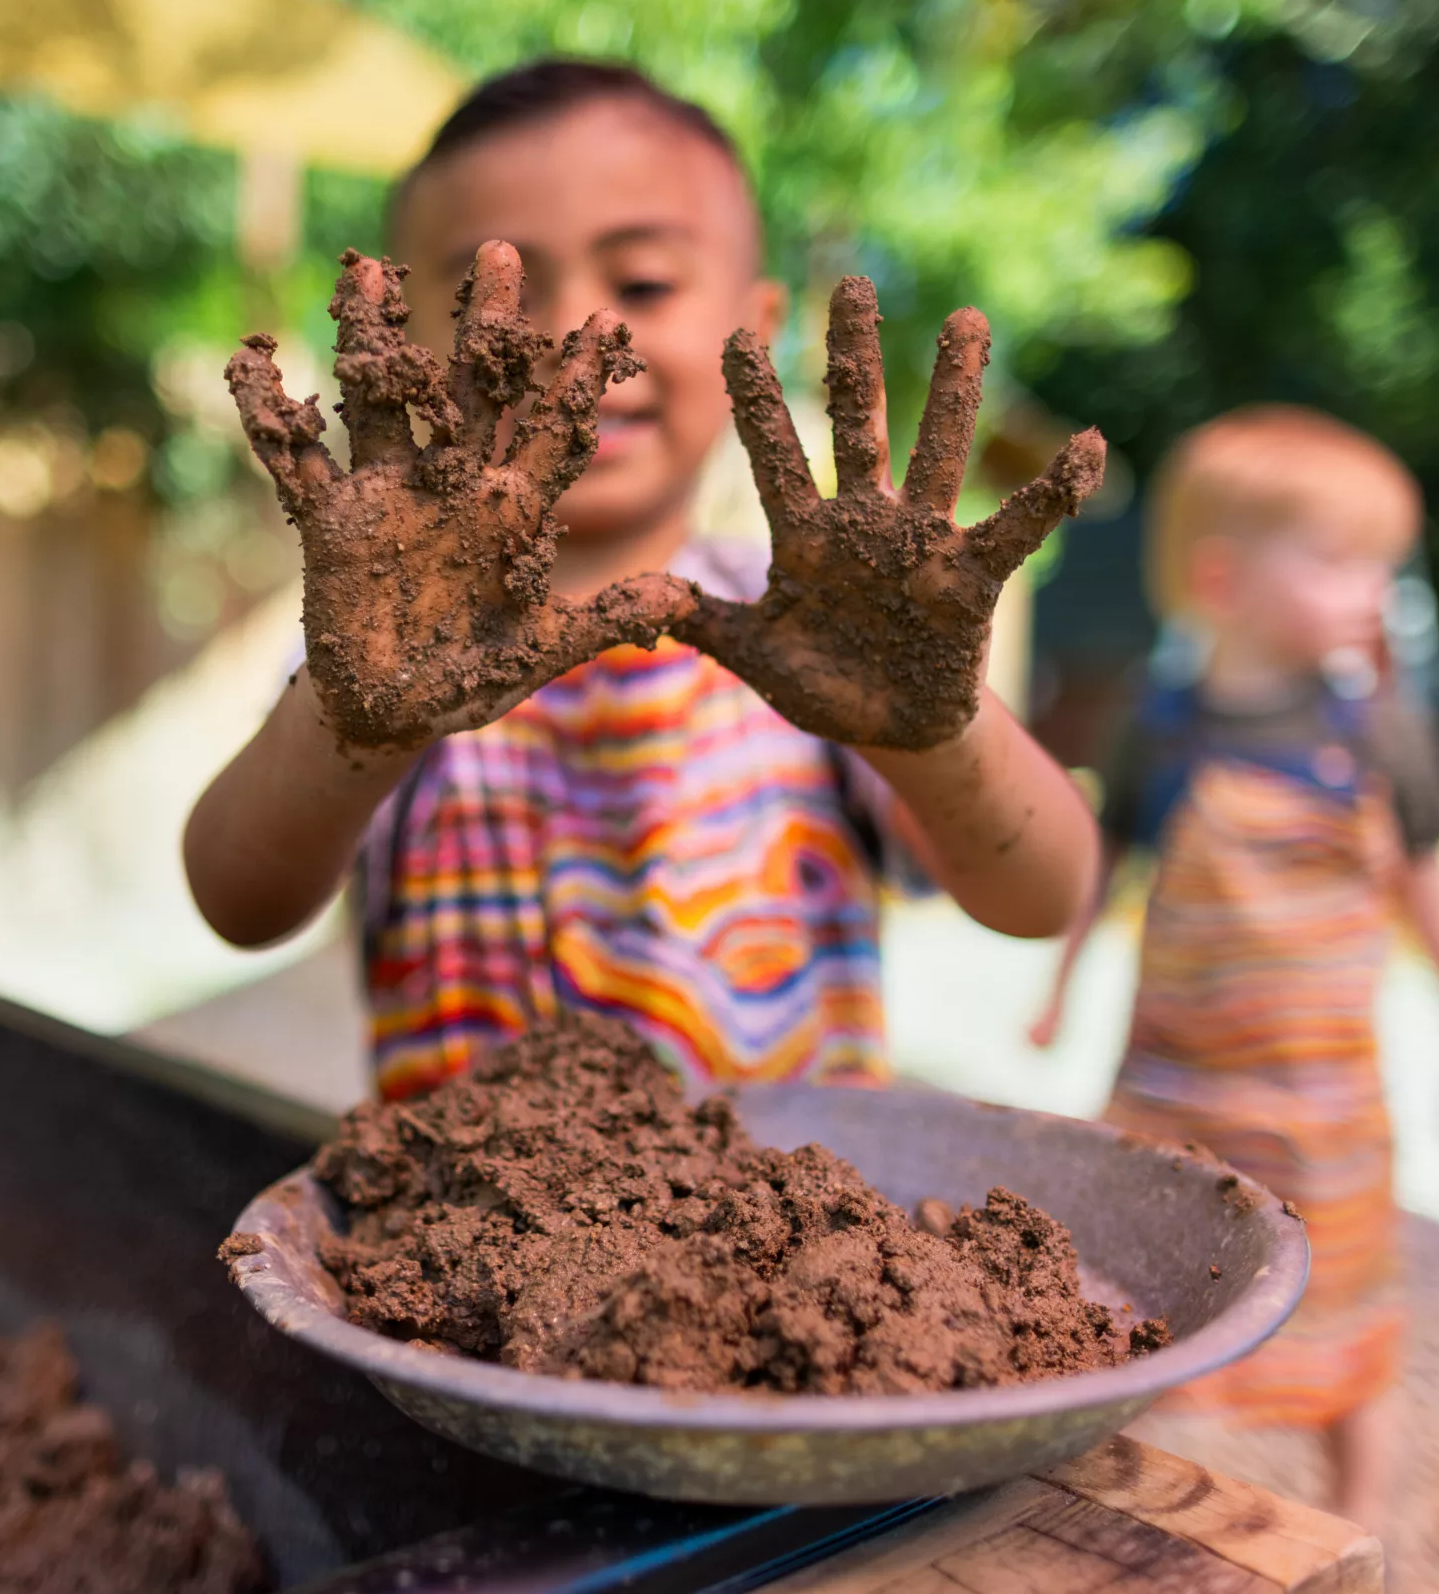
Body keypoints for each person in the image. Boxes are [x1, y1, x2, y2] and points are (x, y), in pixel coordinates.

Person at [184, 58, 1104, 1100]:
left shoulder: (814, 632)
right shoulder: (381, 648)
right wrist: (351, 723)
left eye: (644, 283)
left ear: (754, 325)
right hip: (462, 1248)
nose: (580, 333)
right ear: (406, 349)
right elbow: (237, 902)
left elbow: (1045, 894)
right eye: (503, 293)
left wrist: (938, 731)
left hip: (789, 1247)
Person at [1026, 405, 1439, 1529]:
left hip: (1324, 1102)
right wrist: (1057, 983)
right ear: (1222, 576)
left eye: (1383, 564)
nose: (1374, 589)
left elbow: (1430, 886)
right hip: (1169, 1085)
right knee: (1132, 1284)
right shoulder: (1161, 723)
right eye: (1340, 562)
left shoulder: (1381, 731)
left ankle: (1360, 1513)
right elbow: (1106, 860)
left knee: (1349, 1304)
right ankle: (1095, 1502)